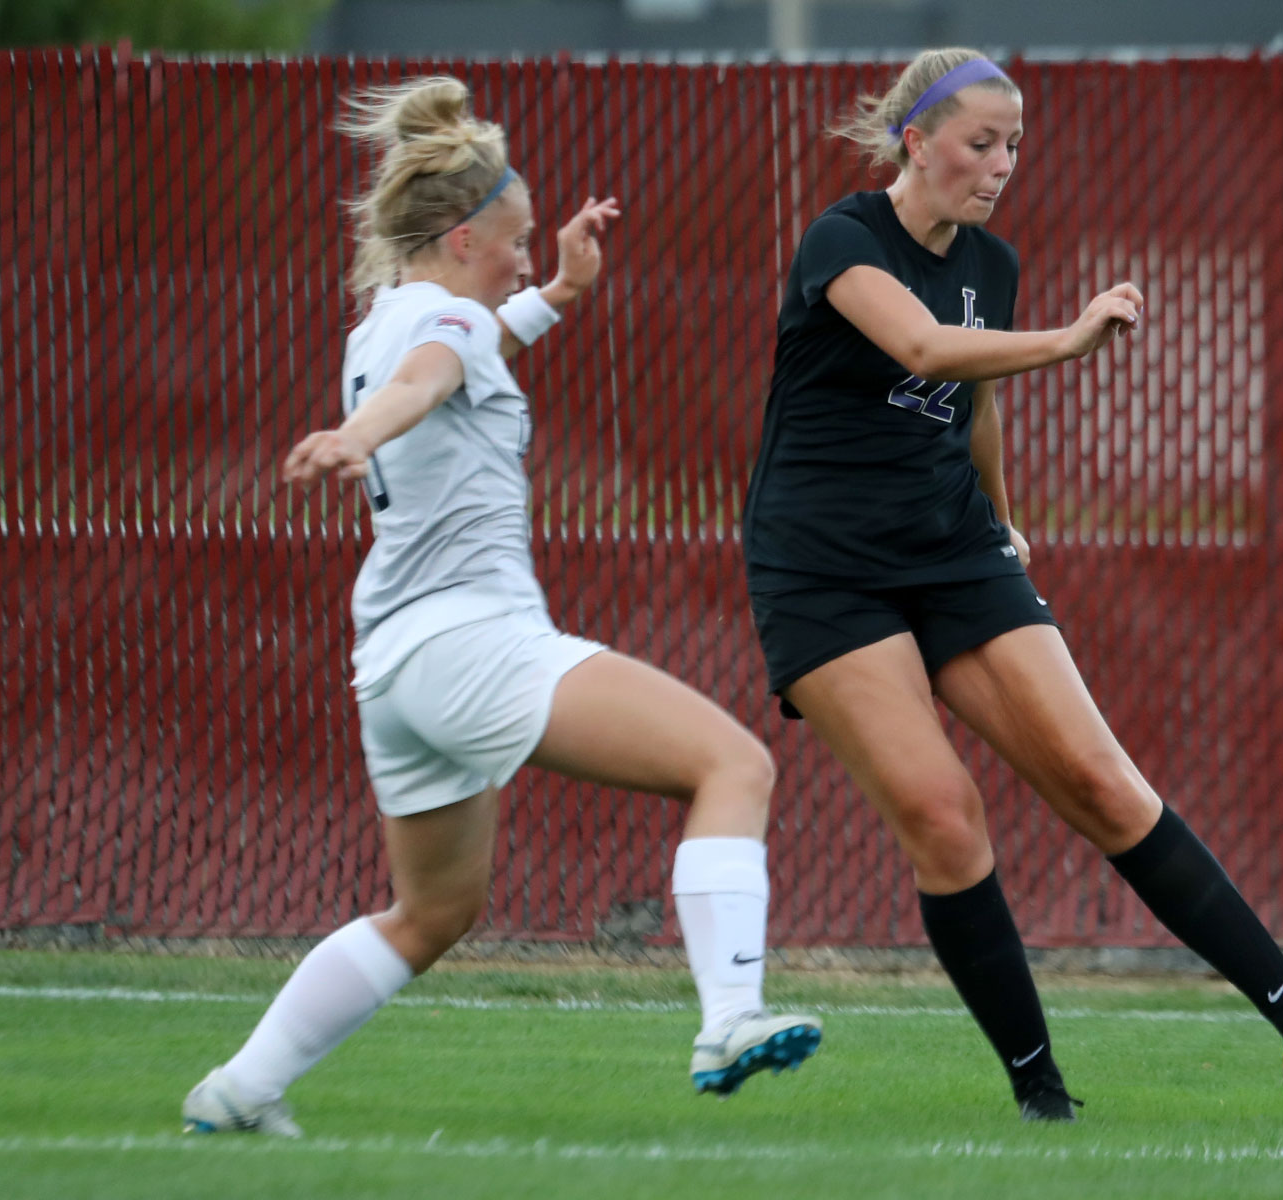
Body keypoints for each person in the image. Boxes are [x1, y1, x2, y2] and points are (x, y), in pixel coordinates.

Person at [182, 76, 819, 1138]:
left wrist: (560, 293)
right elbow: (431, 378)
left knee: (432, 910)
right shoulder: (432, 329)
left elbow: (460, 356)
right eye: (518, 242)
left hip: (394, 661)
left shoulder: (388, 318)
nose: (527, 257)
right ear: (466, 234)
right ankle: (731, 1020)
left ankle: (240, 1088)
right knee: (734, 765)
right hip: (472, 642)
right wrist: (360, 436)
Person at [741, 48, 1283, 1122]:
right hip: (823, 567)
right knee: (944, 814)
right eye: (981, 142)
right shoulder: (843, 239)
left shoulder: (989, 262)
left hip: (953, 545)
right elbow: (924, 345)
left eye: (1014, 145)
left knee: (1104, 784)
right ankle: (1042, 1095)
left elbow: (971, 397)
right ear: (917, 141)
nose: (1002, 164)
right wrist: (1074, 336)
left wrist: (1001, 518)